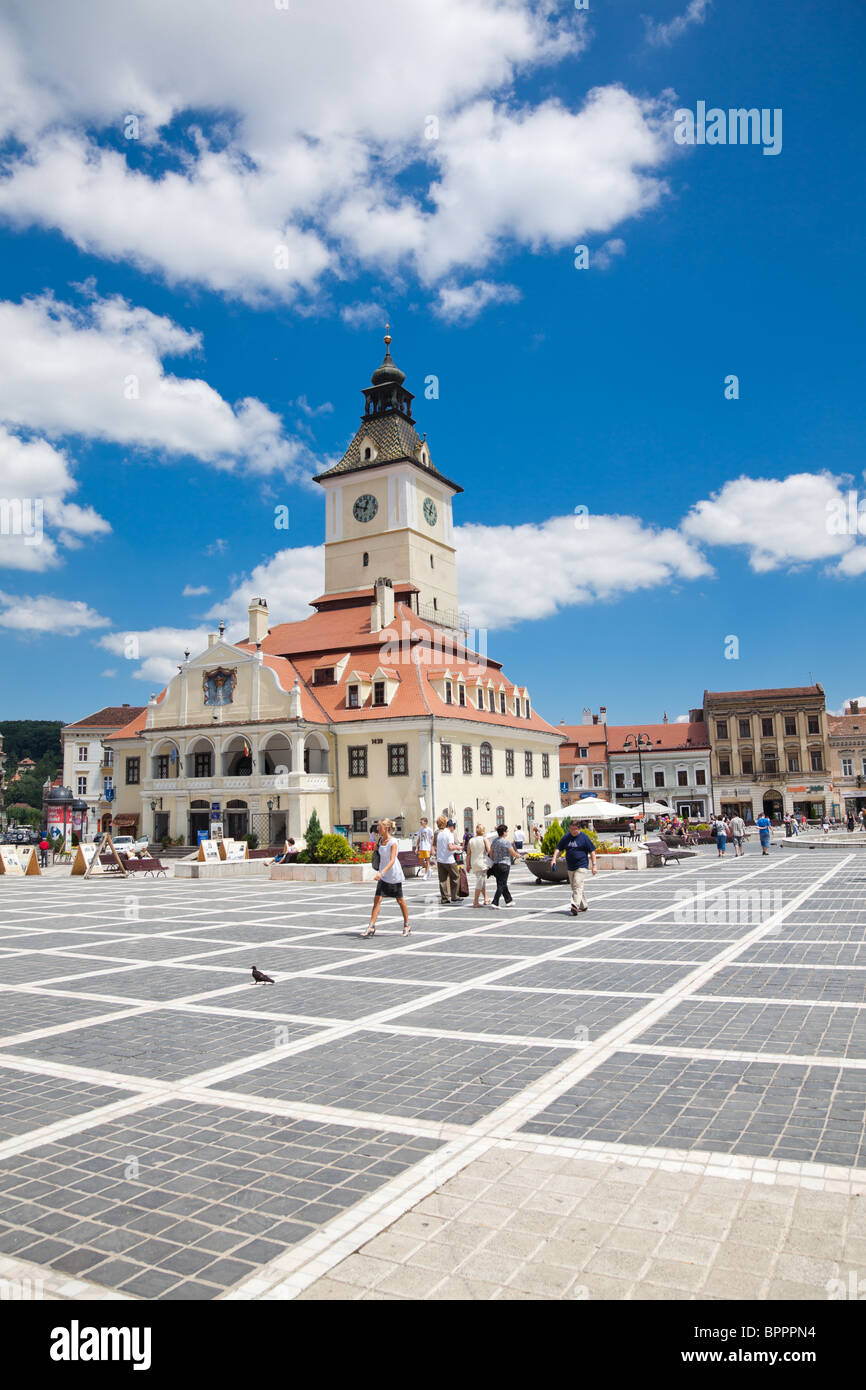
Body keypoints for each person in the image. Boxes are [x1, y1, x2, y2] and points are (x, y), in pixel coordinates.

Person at [361, 819, 410, 937]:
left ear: (386, 828)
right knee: (377, 900)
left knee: (400, 900)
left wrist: (381, 873)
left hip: (393, 875)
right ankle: (371, 926)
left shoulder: (393, 842)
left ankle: (407, 925)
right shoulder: (380, 840)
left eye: (380, 827)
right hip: (382, 875)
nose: (378, 829)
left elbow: (393, 860)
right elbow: (378, 853)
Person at [551, 818, 598, 915]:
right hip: (571, 866)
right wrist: (554, 859)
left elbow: (592, 851)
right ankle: (583, 905)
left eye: (574, 829)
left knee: (577, 884)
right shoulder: (566, 837)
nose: (572, 831)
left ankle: (575, 905)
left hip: (582, 865)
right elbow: (559, 848)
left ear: (579, 829)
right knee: (575, 887)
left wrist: (594, 865)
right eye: (571, 829)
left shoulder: (584, 837)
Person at [488, 825, 519, 907]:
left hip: (496, 865)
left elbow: (491, 852)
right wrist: (518, 855)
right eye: (507, 831)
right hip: (505, 865)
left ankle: (509, 900)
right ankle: (495, 902)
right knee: (501, 884)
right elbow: (513, 853)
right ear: (504, 832)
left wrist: (493, 861)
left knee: (501, 883)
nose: (507, 832)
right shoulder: (506, 842)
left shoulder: (495, 841)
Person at [435, 815, 462, 905]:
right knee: (455, 876)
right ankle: (455, 896)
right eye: (454, 827)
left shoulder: (440, 834)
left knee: (442, 880)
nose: (454, 829)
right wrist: (457, 847)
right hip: (448, 859)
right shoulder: (449, 834)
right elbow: (450, 847)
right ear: (451, 827)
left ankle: (444, 898)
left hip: (440, 859)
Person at [467, 823, 492, 908]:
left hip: (474, 863)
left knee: (482, 882)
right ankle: (475, 901)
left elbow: (468, 854)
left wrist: (467, 865)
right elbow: (489, 851)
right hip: (482, 863)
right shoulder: (485, 839)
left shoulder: (471, 840)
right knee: (480, 882)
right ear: (483, 831)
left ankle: (485, 898)